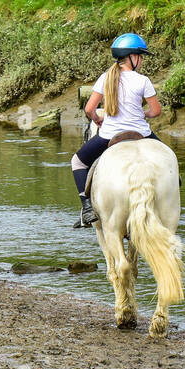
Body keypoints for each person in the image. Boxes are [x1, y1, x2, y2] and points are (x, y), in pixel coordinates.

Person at [71, 33, 162, 227]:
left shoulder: (105, 78)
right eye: (140, 55)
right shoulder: (143, 81)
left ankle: (87, 209)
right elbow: (156, 111)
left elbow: (89, 109)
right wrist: (141, 113)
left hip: (109, 135)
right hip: (142, 134)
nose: (142, 59)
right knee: (169, 160)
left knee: (77, 162)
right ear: (131, 57)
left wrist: (98, 119)